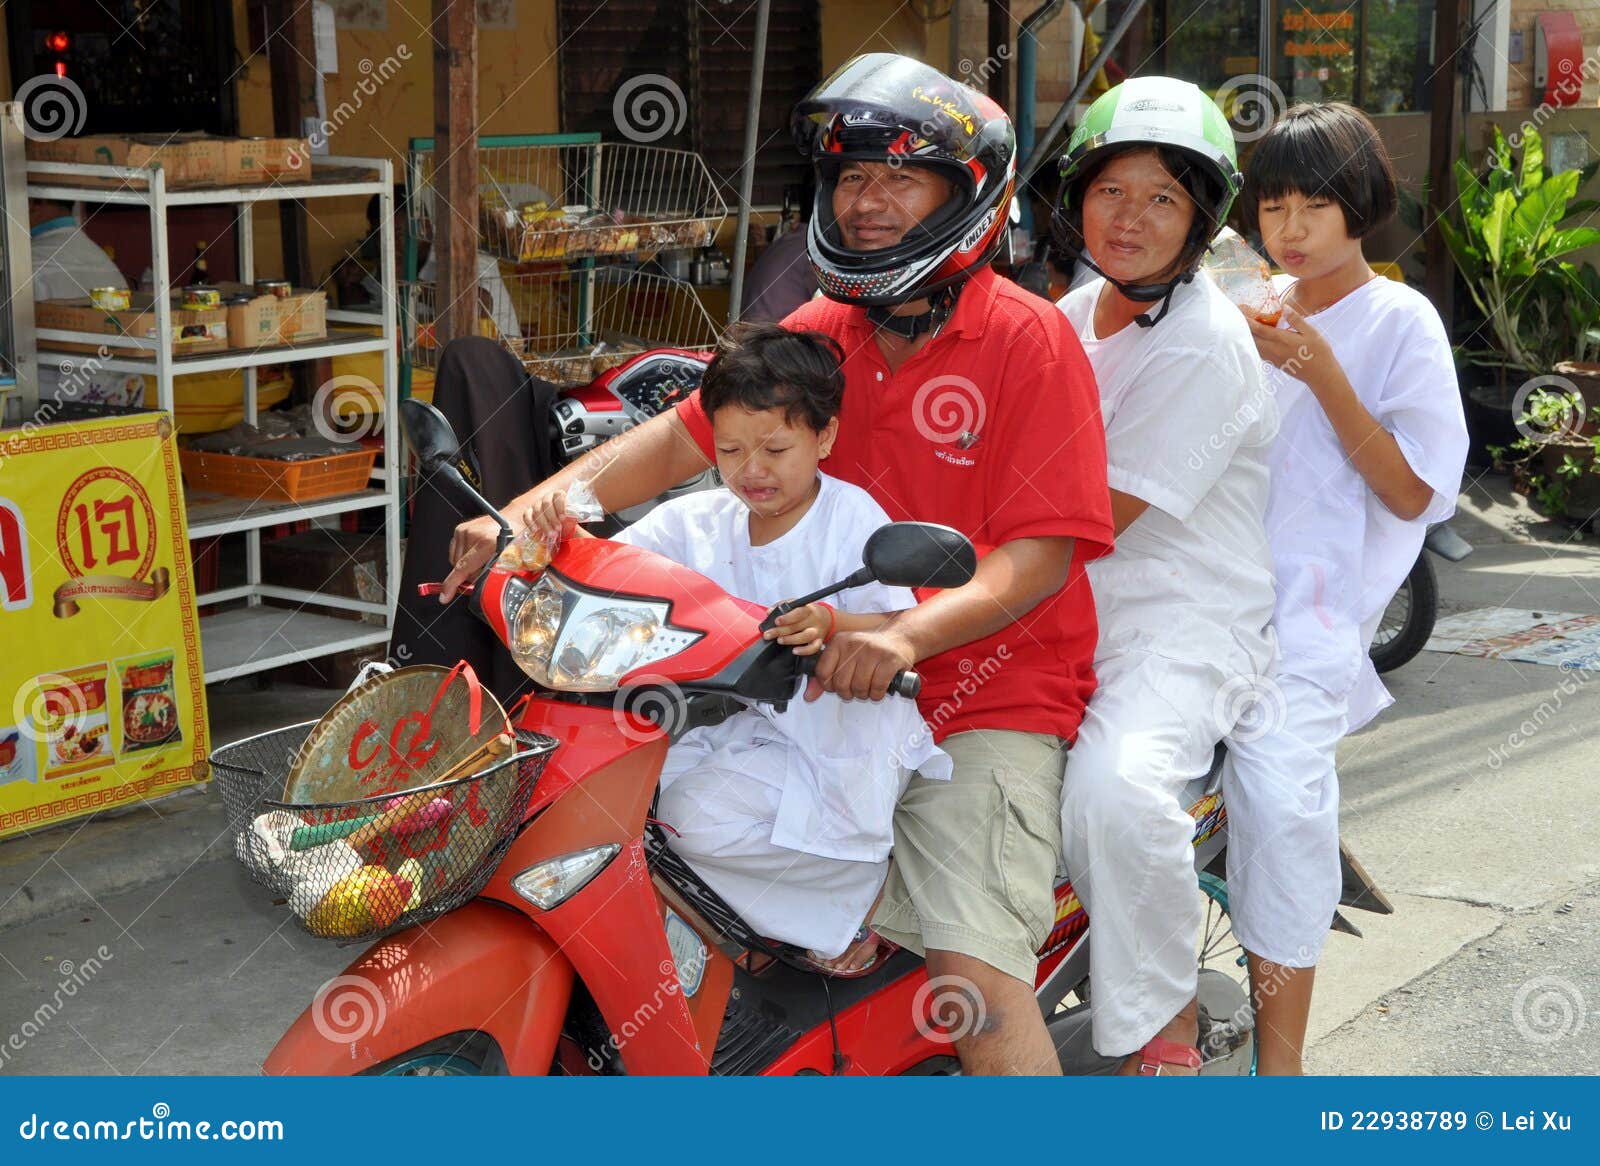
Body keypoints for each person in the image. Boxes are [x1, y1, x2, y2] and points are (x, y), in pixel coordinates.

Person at [441, 53, 1113, 1075]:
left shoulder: (1029, 342)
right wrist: (532, 514)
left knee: (973, 980)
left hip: (978, 694)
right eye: (850, 177)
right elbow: (680, 437)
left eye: (899, 176)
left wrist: (898, 636)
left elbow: (1035, 561)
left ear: (965, 196)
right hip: (789, 667)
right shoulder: (819, 334)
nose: (868, 199)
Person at [528, 323, 950, 970]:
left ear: (825, 436)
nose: (751, 471)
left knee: (696, 824)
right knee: (661, 820)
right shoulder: (697, 522)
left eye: (776, 449)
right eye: (729, 450)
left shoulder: (851, 517)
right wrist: (558, 527)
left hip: (839, 738)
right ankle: (769, 939)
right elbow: (611, 562)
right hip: (730, 731)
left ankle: (861, 904)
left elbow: (896, 627)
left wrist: (834, 626)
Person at [1225, 102, 1468, 1074]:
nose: (1288, 225)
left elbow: (1416, 488)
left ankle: (1279, 1074)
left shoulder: (1398, 320)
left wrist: (1322, 372)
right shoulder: (1239, 299)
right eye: (1272, 203)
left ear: (1359, 203)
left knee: (1283, 811)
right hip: (1197, 593)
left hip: (1309, 618)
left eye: (1312, 203)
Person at [1050, 77, 1278, 1075]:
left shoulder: (1204, 340)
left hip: (1174, 626)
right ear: (1075, 202)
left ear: (1198, 219)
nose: (1128, 217)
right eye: (1110, 191)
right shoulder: (1066, 313)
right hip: (1049, 605)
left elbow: (1097, 517)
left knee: (1113, 788)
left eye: (1159, 197)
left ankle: (1167, 1024)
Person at [28, 199, 144, 409]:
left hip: (55, 410)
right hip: (121, 408)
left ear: (32, 204)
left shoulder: (26, 264)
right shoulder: (101, 259)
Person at [740, 180, 818, 322]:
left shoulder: (792, 239)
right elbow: (830, 303)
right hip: (768, 338)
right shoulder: (813, 247)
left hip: (754, 332)